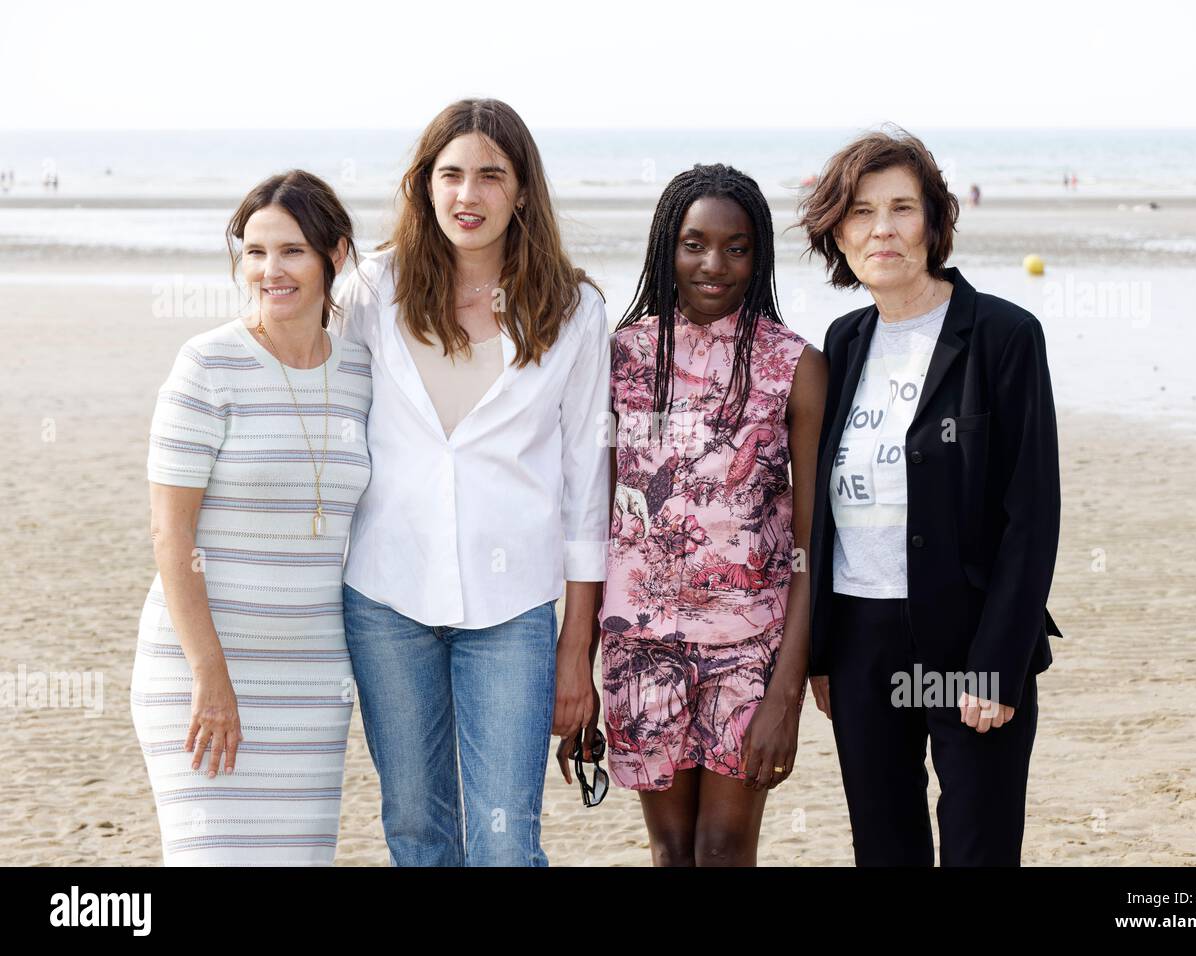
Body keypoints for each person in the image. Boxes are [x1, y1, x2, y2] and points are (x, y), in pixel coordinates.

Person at [336, 99, 610, 867]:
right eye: (450, 174)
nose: (469, 194)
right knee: (418, 832)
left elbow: (589, 488)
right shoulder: (373, 291)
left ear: (522, 191)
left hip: (512, 608)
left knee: (505, 841)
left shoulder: (574, 310)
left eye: (492, 175)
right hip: (385, 598)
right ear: (424, 186)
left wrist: (575, 647)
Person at [798, 127, 1062, 866]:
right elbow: (823, 507)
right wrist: (822, 648)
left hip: (968, 636)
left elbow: (1031, 516)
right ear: (837, 234)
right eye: (859, 211)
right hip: (859, 640)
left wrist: (999, 661)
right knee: (884, 848)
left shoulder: (1004, 336)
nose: (881, 228)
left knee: (979, 848)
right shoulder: (843, 341)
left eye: (902, 208)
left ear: (934, 222)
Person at [591, 163, 827, 866]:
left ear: (760, 256)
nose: (713, 264)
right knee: (670, 850)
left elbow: (815, 546)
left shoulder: (795, 366)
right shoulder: (620, 359)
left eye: (737, 246)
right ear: (668, 247)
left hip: (748, 647)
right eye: (694, 244)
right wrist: (574, 660)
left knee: (724, 848)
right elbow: (595, 519)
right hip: (639, 647)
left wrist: (788, 686)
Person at [132, 170, 370, 865]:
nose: (270, 270)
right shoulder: (207, 365)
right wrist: (211, 678)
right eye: (255, 251)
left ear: (337, 256)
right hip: (203, 669)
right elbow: (169, 535)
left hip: (314, 678)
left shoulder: (360, 366)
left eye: (292, 250)